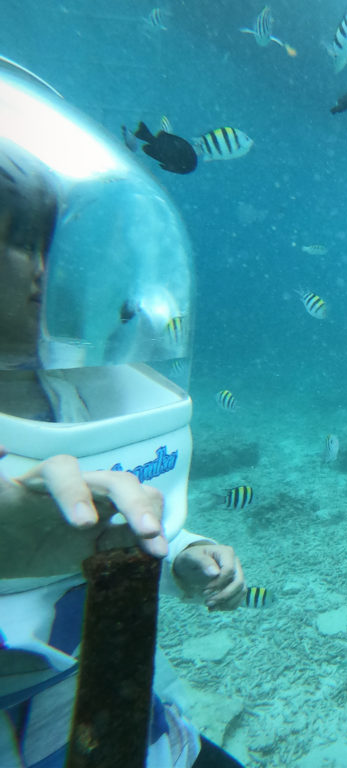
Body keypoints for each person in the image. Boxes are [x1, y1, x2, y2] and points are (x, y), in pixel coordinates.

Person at [1, 62, 245, 767]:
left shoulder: (82, 394)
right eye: (17, 241)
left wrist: (184, 555)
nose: (45, 269)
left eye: (47, 242)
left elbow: (129, 521)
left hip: (139, 719)